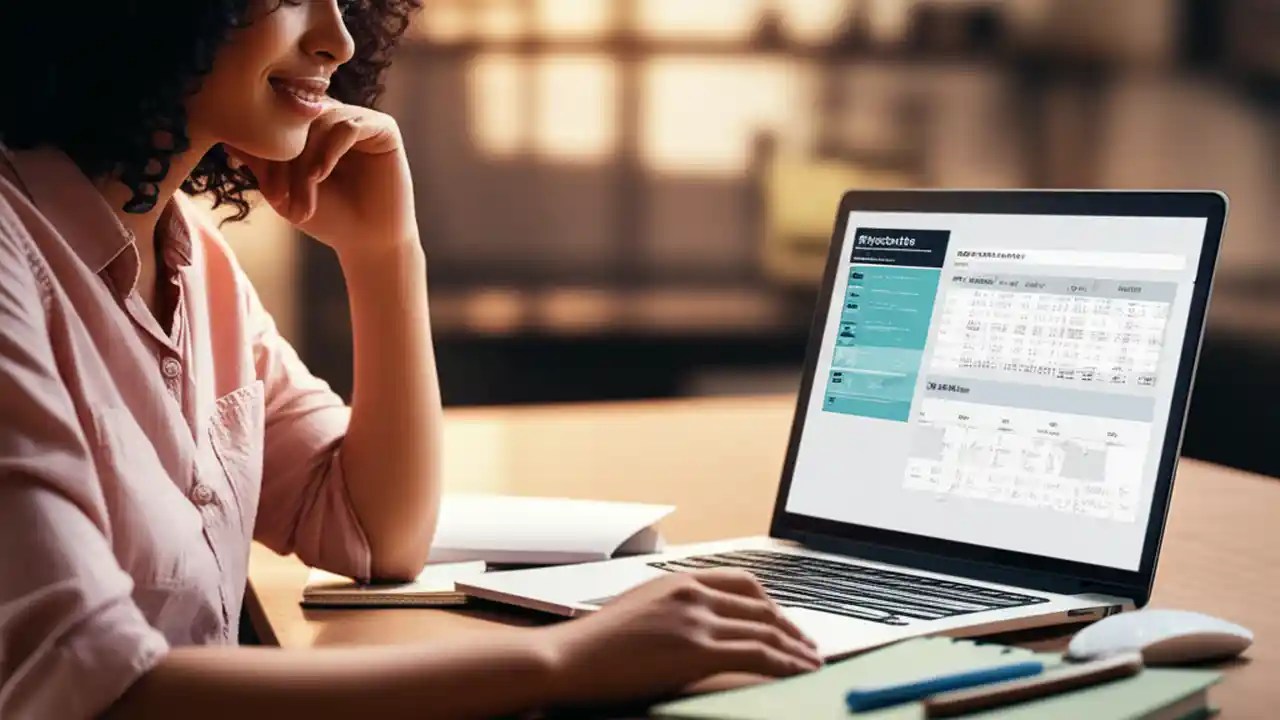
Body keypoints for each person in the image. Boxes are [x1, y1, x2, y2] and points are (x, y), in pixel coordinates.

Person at [0, 1, 821, 718]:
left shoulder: (194, 259)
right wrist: (563, 664)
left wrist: (385, 251)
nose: (337, 40)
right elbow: (95, 690)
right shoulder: (13, 257)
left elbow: (374, 531)